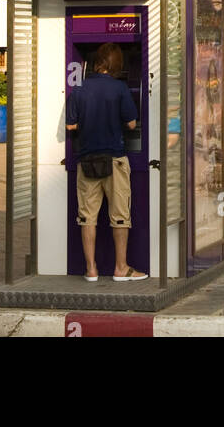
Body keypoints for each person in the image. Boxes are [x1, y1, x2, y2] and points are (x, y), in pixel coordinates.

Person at [66, 43, 147, 283]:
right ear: (117, 64)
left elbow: (71, 126)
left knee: (87, 216)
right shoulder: (120, 88)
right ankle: (121, 268)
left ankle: (91, 269)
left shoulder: (79, 89)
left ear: (96, 61)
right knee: (120, 215)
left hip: (87, 160)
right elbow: (132, 124)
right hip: (114, 160)